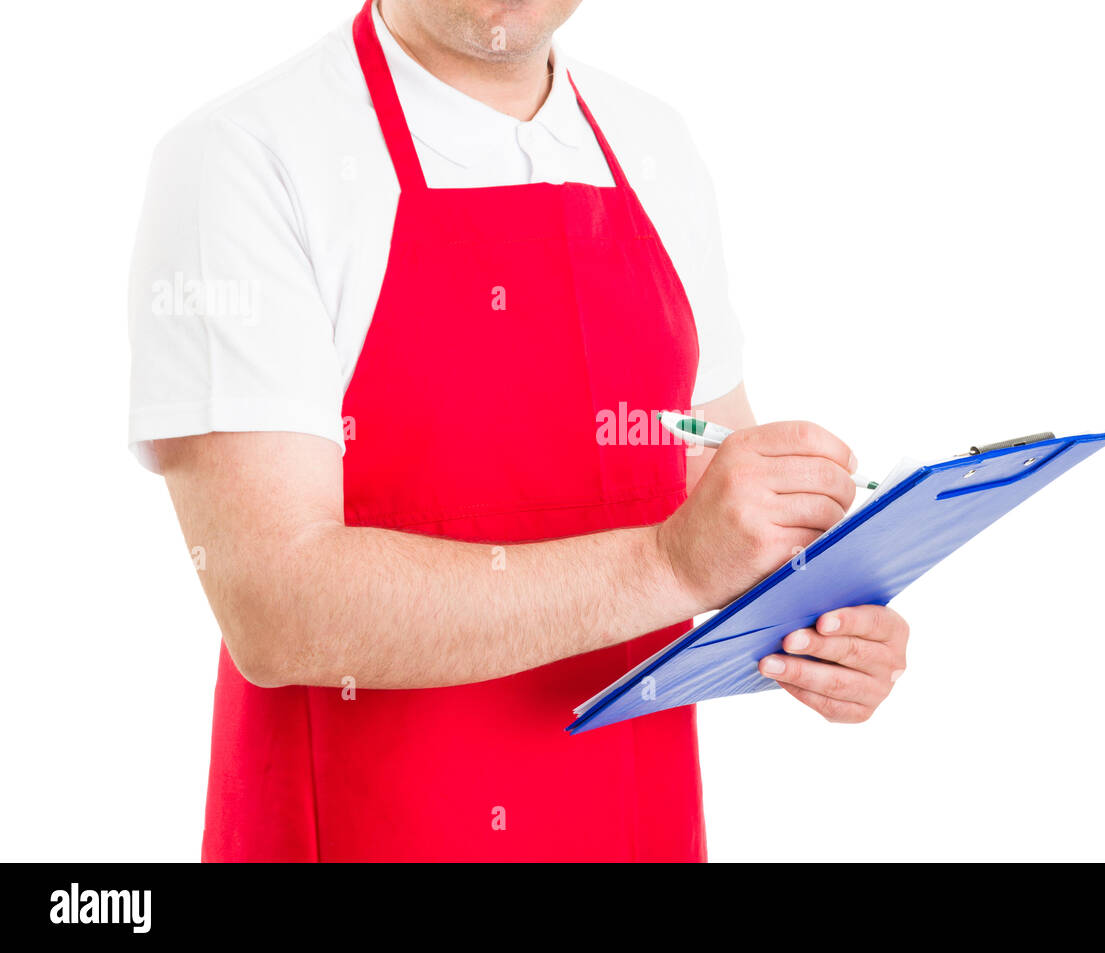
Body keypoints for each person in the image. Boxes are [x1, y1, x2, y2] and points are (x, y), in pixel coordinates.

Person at [128, 0, 909, 862]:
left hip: (636, 830)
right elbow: (275, 605)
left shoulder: (654, 145)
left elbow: (720, 496)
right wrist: (666, 565)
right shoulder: (244, 159)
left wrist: (822, 617)